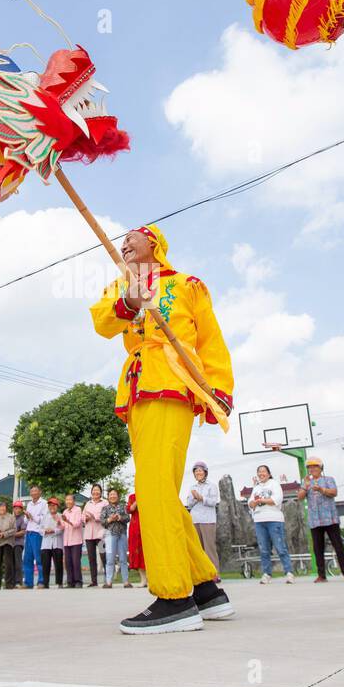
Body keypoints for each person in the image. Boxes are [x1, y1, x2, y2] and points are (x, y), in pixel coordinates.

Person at [90, 224, 235, 633]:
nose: (123, 245)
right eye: (121, 243)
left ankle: (174, 597)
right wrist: (128, 301)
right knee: (160, 491)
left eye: (132, 240)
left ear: (154, 243)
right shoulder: (122, 284)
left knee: (152, 489)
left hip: (172, 382)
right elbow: (101, 322)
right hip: (138, 388)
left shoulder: (188, 285)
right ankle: (205, 589)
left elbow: (211, 340)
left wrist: (219, 388)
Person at [302, 457, 344, 582]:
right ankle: (321, 575)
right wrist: (305, 486)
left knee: (338, 546)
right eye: (309, 467)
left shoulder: (328, 479)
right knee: (318, 549)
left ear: (321, 468)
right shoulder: (306, 482)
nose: (312, 469)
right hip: (315, 520)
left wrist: (321, 489)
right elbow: (300, 497)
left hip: (330, 518)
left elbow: (334, 492)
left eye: (315, 466)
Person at [249, 465, 292, 584]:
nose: (261, 474)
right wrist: (254, 502)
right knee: (264, 549)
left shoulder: (274, 484)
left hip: (274, 519)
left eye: (263, 471)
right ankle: (267, 573)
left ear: (268, 473)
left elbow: (276, 500)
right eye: (259, 472)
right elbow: (250, 503)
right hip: (259, 520)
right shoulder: (256, 487)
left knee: (280, 547)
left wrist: (261, 501)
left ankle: (289, 572)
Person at [182, 461, 221, 575]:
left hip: (208, 520)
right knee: (198, 549)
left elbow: (214, 502)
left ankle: (214, 574)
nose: (198, 473)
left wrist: (201, 498)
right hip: (195, 519)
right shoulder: (192, 487)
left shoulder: (211, 485)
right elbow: (189, 503)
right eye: (196, 471)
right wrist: (195, 498)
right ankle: (202, 574)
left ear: (205, 472)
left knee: (209, 548)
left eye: (200, 470)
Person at [101, 487, 131, 588]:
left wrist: (119, 517)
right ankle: (108, 582)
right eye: (111, 495)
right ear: (108, 497)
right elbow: (102, 522)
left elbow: (128, 518)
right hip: (110, 535)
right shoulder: (105, 508)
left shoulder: (123, 507)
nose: (113, 496)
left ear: (118, 496)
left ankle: (126, 582)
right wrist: (110, 519)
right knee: (110, 559)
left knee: (123, 558)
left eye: (114, 494)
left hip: (122, 534)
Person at [22, 486, 47, 588]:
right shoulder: (29, 504)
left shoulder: (44, 503)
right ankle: (28, 582)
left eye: (35, 491)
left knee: (39, 558)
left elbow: (44, 519)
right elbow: (25, 521)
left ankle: (41, 581)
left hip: (38, 533)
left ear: (40, 492)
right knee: (27, 558)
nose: (33, 493)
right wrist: (28, 517)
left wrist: (33, 517)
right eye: (31, 491)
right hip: (29, 532)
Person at [82, 484, 107, 587]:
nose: (95, 492)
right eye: (94, 490)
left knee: (103, 556)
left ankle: (107, 579)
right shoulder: (88, 503)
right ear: (91, 492)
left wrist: (95, 517)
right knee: (91, 558)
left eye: (97, 490)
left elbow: (106, 515)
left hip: (101, 535)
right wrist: (85, 519)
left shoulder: (105, 502)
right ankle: (94, 581)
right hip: (89, 535)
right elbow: (82, 516)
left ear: (100, 492)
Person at [0, 502, 17, 590]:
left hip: (8, 542)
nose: (2, 508)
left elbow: (14, 530)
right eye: (0, 507)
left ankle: (9, 583)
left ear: (6, 508)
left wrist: (4, 534)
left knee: (8, 563)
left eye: (3, 507)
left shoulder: (11, 517)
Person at [60, 493, 85, 588]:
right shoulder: (64, 511)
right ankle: (70, 582)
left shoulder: (78, 510)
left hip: (76, 540)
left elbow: (77, 524)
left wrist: (67, 521)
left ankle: (78, 581)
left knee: (76, 561)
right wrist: (59, 522)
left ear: (74, 501)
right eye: (66, 500)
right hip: (66, 540)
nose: (68, 502)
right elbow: (62, 526)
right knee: (68, 562)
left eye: (70, 500)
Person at [40, 497, 64, 588]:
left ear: (57, 506)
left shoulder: (61, 516)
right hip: (46, 544)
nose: (51, 507)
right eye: (50, 505)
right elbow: (40, 529)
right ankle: (45, 583)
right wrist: (45, 531)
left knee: (58, 564)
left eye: (53, 505)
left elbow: (62, 528)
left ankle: (59, 582)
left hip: (57, 543)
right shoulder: (44, 517)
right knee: (45, 564)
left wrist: (53, 530)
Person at [126, 491, 146, 589]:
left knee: (148, 554)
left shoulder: (150, 494)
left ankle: (152, 580)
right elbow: (129, 509)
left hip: (148, 527)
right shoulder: (132, 496)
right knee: (137, 553)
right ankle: (143, 580)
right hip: (135, 528)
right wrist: (137, 501)